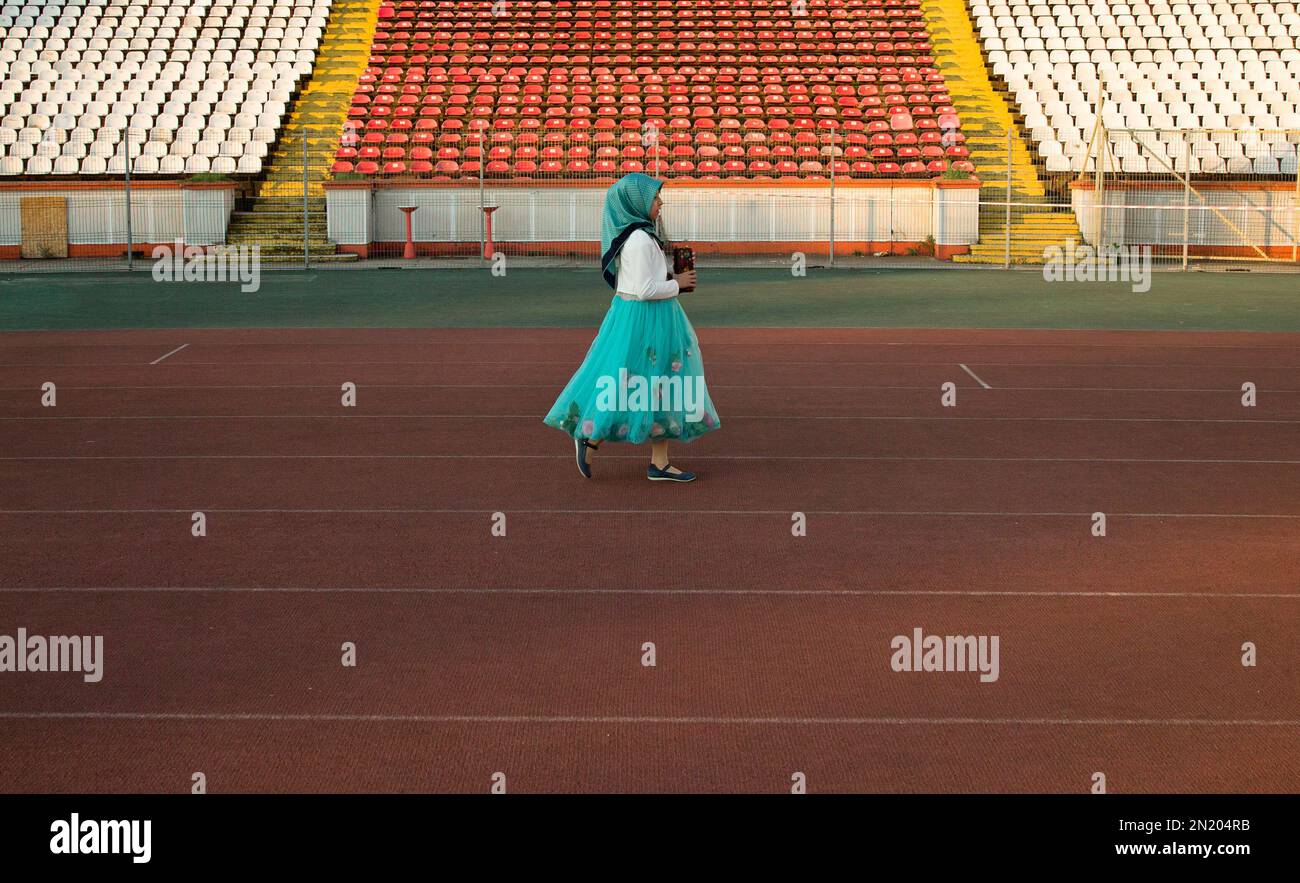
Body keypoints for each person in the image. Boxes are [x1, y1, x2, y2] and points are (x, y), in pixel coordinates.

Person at [543, 172, 721, 482]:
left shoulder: (641, 234)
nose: (660, 202)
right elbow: (644, 290)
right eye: (655, 197)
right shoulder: (639, 239)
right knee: (635, 382)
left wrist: (671, 275)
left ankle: (658, 462)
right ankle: (591, 438)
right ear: (637, 202)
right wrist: (676, 284)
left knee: (656, 385)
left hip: (649, 316)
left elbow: (646, 280)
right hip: (647, 319)